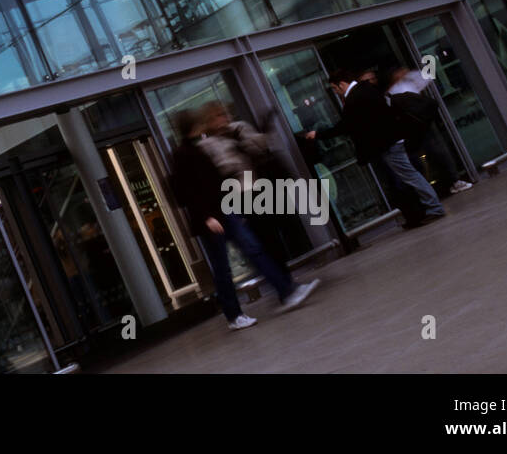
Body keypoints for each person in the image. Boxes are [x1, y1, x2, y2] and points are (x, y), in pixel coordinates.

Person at [170, 104, 320, 331]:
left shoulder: (198, 148)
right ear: (193, 126)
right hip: (214, 215)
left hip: (223, 210)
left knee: (253, 250)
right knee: (225, 266)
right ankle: (235, 314)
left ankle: (286, 291)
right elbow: (188, 191)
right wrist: (208, 216)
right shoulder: (185, 153)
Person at [307, 67, 446, 227]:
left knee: (410, 177)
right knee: (407, 177)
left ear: (342, 84)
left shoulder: (354, 98)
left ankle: (434, 208)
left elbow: (345, 126)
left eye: (334, 88)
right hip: (392, 141)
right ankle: (421, 211)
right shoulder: (366, 89)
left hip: (388, 145)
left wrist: (317, 134)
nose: (336, 92)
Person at [386, 66, 473, 196]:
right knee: (429, 155)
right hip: (413, 128)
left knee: (438, 152)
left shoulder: (409, 81)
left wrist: (413, 71)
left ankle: (452, 181)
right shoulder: (394, 91)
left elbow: (428, 76)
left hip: (424, 123)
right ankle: (440, 186)